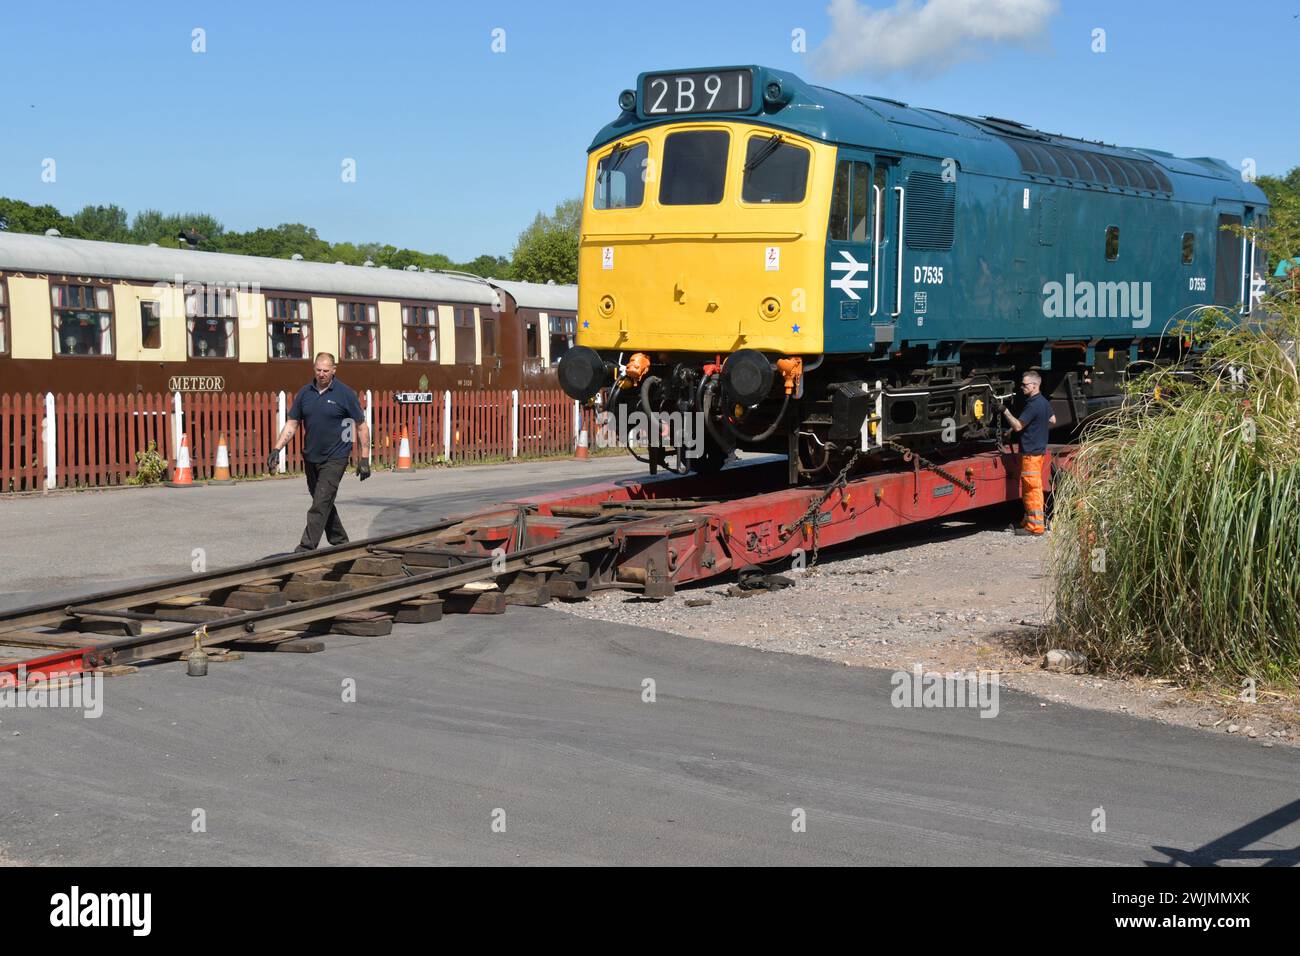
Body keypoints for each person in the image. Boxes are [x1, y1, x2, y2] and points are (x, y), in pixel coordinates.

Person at [266, 352, 371, 551]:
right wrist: (276, 448)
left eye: (325, 370)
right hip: (311, 457)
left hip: (336, 458)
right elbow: (292, 423)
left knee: (320, 502)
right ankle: (341, 543)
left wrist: (364, 459)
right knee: (323, 501)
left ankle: (306, 547)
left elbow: (361, 426)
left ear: (333, 370)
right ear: (314, 369)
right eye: (318, 370)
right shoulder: (305, 393)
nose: (321, 374)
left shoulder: (345, 394)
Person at [1002, 370, 1056, 536]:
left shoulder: (1033, 404)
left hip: (1031, 454)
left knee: (1031, 489)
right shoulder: (1044, 402)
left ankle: (1035, 527)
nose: (1022, 387)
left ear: (1034, 385)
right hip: (1039, 451)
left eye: (1025, 385)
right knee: (1033, 487)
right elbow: (1052, 420)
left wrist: (1005, 411)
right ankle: (1029, 521)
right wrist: (1038, 429)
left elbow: (1019, 426)